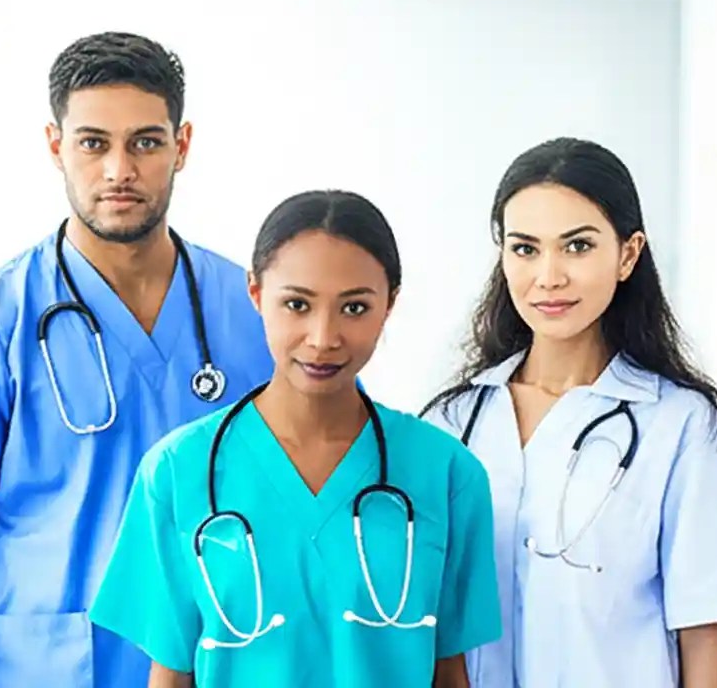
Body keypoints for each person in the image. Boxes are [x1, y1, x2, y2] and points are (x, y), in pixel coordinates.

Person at [0, 32, 274, 687]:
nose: (119, 170)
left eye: (145, 142)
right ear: (55, 145)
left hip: (225, 662)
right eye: (94, 143)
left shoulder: (254, 315)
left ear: (181, 147)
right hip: (48, 668)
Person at [88, 190, 502, 687]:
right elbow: (170, 676)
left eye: (354, 307)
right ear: (255, 293)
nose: (323, 338)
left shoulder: (447, 473)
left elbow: (450, 673)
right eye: (297, 304)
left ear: (389, 304)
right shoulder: (178, 471)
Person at [422, 137, 717, 688]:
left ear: (628, 254)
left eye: (577, 246)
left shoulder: (682, 426)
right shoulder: (453, 424)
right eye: (525, 248)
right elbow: (433, 626)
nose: (548, 276)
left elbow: (704, 635)